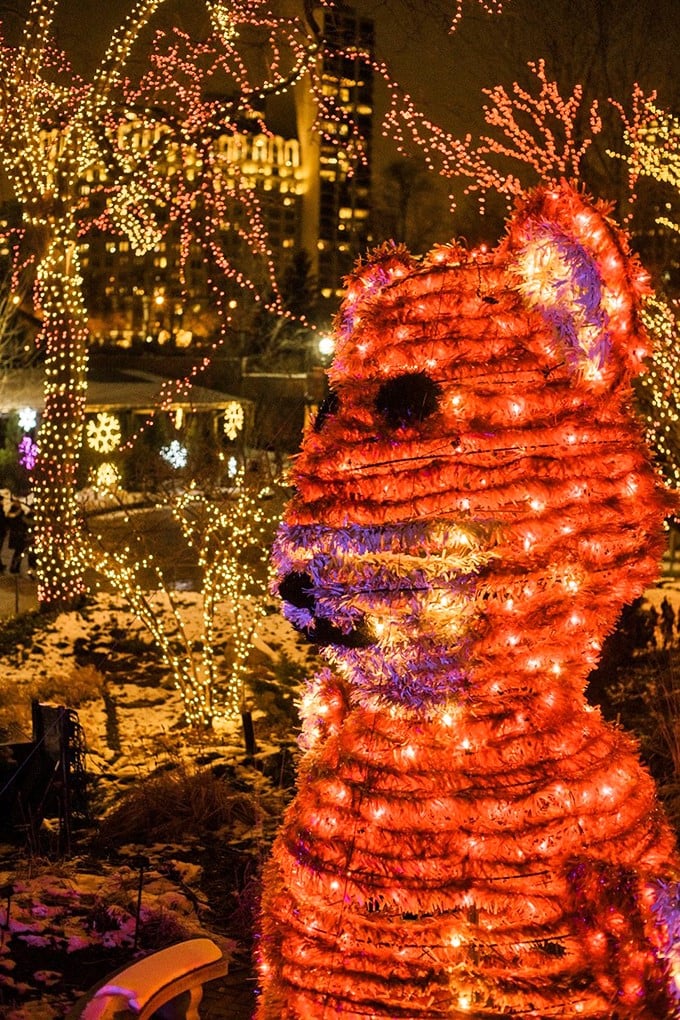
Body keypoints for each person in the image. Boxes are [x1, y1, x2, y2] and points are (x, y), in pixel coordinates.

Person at [7, 501, 28, 575]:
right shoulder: (16, 510)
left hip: (20, 534)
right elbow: (13, 519)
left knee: (19, 551)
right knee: (18, 552)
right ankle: (14, 567)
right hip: (18, 534)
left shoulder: (20, 510)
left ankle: (15, 567)